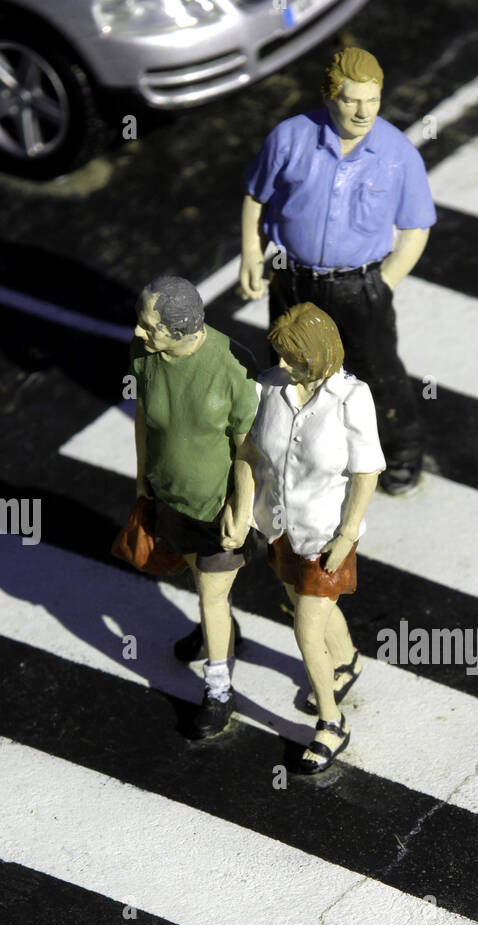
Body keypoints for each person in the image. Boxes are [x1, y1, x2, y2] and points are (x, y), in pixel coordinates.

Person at [239, 45, 435, 497]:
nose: (364, 111)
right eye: (351, 100)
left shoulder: (397, 153)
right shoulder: (289, 139)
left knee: (378, 375)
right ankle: (291, 455)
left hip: (358, 285)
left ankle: (401, 457)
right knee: (288, 373)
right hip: (293, 279)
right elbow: (256, 197)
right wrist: (252, 251)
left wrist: (383, 284)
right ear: (330, 97)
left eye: (373, 99)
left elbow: (416, 226)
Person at [240, 302, 385, 774]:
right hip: (280, 525)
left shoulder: (350, 397)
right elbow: (249, 449)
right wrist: (241, 508)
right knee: (308, 606)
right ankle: (347, 662)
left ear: (318, 354)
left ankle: (331, 721)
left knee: (305, 625)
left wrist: (346, 534)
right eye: (280, 354)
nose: (282, 365)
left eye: (292, 357)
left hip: (327, 534)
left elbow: (367, 471)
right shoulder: (268, 387)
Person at [131, 275, 259, 738]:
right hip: (171, 496)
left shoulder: (233, 366)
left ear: (182, 332)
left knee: (210, 592)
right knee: (202, 584)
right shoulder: (143, 354)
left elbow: (249, 451)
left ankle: (219, 691)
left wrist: (240, 510)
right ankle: (221, 629)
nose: (140, 333)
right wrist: (143, 475)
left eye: (150, 327)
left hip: (217, 508)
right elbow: (145, 417)